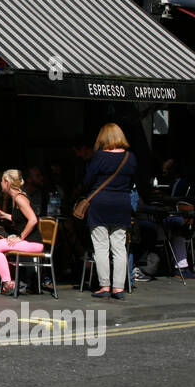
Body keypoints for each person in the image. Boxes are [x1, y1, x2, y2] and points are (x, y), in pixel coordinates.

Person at [79, 123, 137, 299]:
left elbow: (88, 181)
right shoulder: (130, 157)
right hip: (122, 203)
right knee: (119, 247)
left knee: (101, 246)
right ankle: (119, 288)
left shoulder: (99, 157)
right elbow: (134, 180)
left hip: (100, 204)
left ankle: (104, 286)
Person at [0, 169, 43, 295]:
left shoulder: (19, 198)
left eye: (2, 181)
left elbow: (33, 220)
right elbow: (20, 218)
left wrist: (21, 237)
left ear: (7, 182)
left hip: (33, 242)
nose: (0, 184)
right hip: (28, 241)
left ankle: (7, 283)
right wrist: (3, 214)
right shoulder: (17, 197)